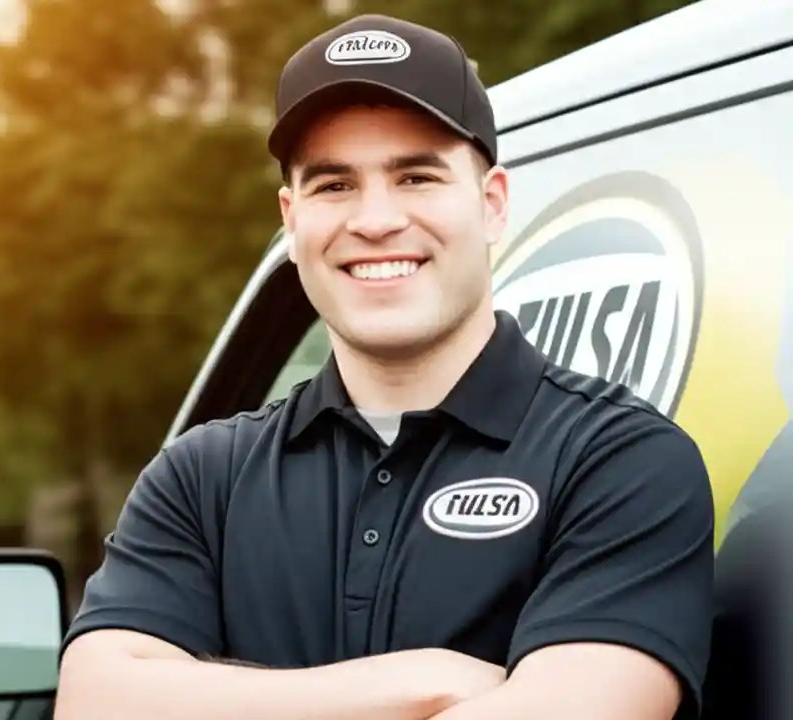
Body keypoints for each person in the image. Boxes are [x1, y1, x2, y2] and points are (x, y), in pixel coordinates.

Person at [55, 13, 714, 720]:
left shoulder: (620, 461)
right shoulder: (200, 478)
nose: (374, 220)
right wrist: (423, 685)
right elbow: (94, 701)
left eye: (417, 177)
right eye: (334, 185)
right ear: (291, 217)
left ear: (491, 204)